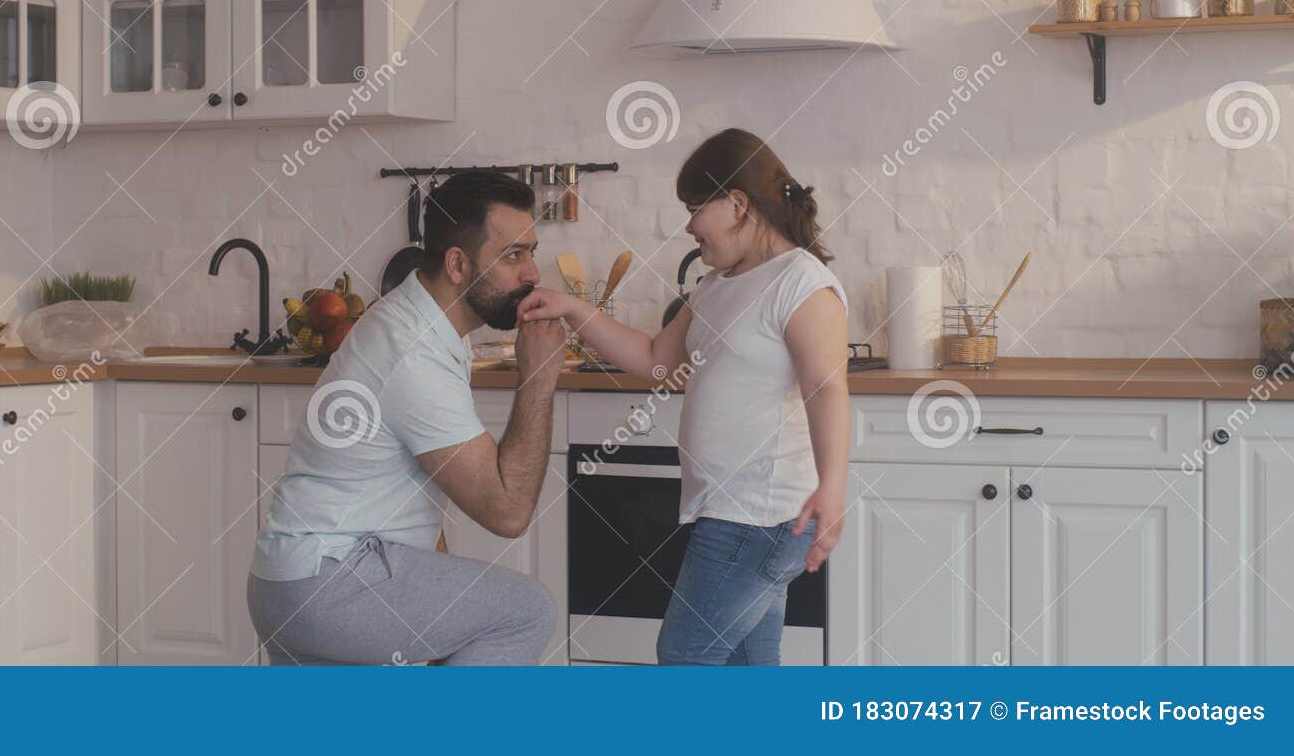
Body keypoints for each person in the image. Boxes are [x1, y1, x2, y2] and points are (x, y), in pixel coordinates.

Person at [518, 128, 850, 665]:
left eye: (697, 207)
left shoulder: (800, 283)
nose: (689, 224)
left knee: (684, 656)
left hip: (760, 514)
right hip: (733, 511)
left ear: (737, 204)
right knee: (748, 665)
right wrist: (574, 309)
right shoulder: (717, 283)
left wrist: (832, 489)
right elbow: (657, 359)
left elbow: (827, 387)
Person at [248, 171, 569, 665]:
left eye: (531, 251)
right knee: (525, 611)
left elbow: (419, 494)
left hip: (294, 582)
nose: (532, 274)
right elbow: (508, 513)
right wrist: (540, 378)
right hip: (331, 582)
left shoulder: (419, 323)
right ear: (458, 265)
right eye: (513, 256)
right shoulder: (414, 354)